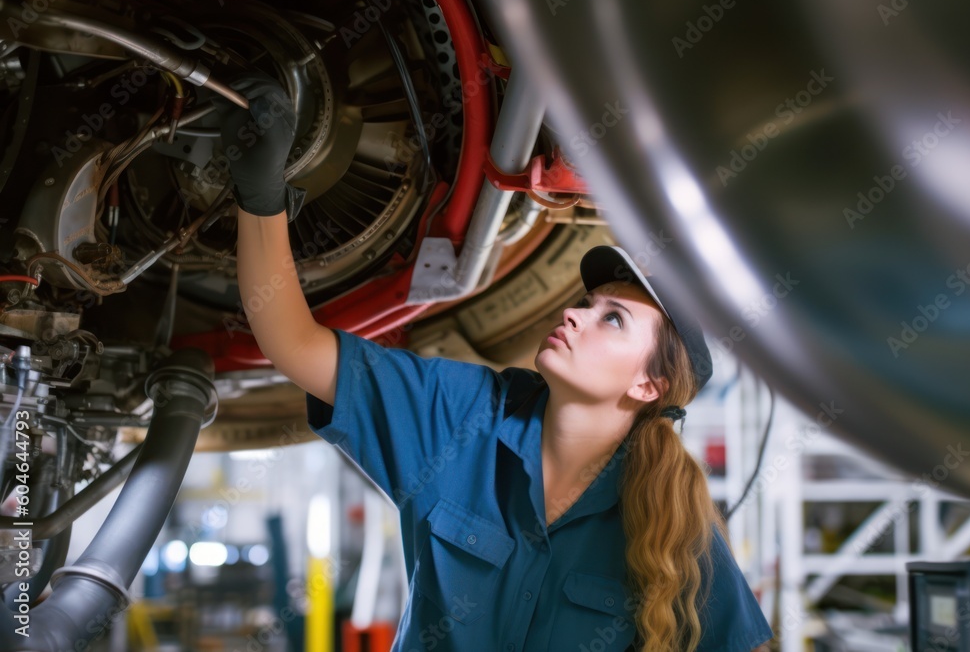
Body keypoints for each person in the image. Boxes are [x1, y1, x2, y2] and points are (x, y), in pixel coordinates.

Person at [222, 74, 774, 651]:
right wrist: (261, 194)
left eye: (612, 319)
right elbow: (294, 344)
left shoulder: (669, 524)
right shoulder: (459, 418)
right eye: (588, 303)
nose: (576, 315)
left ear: (649, 383)